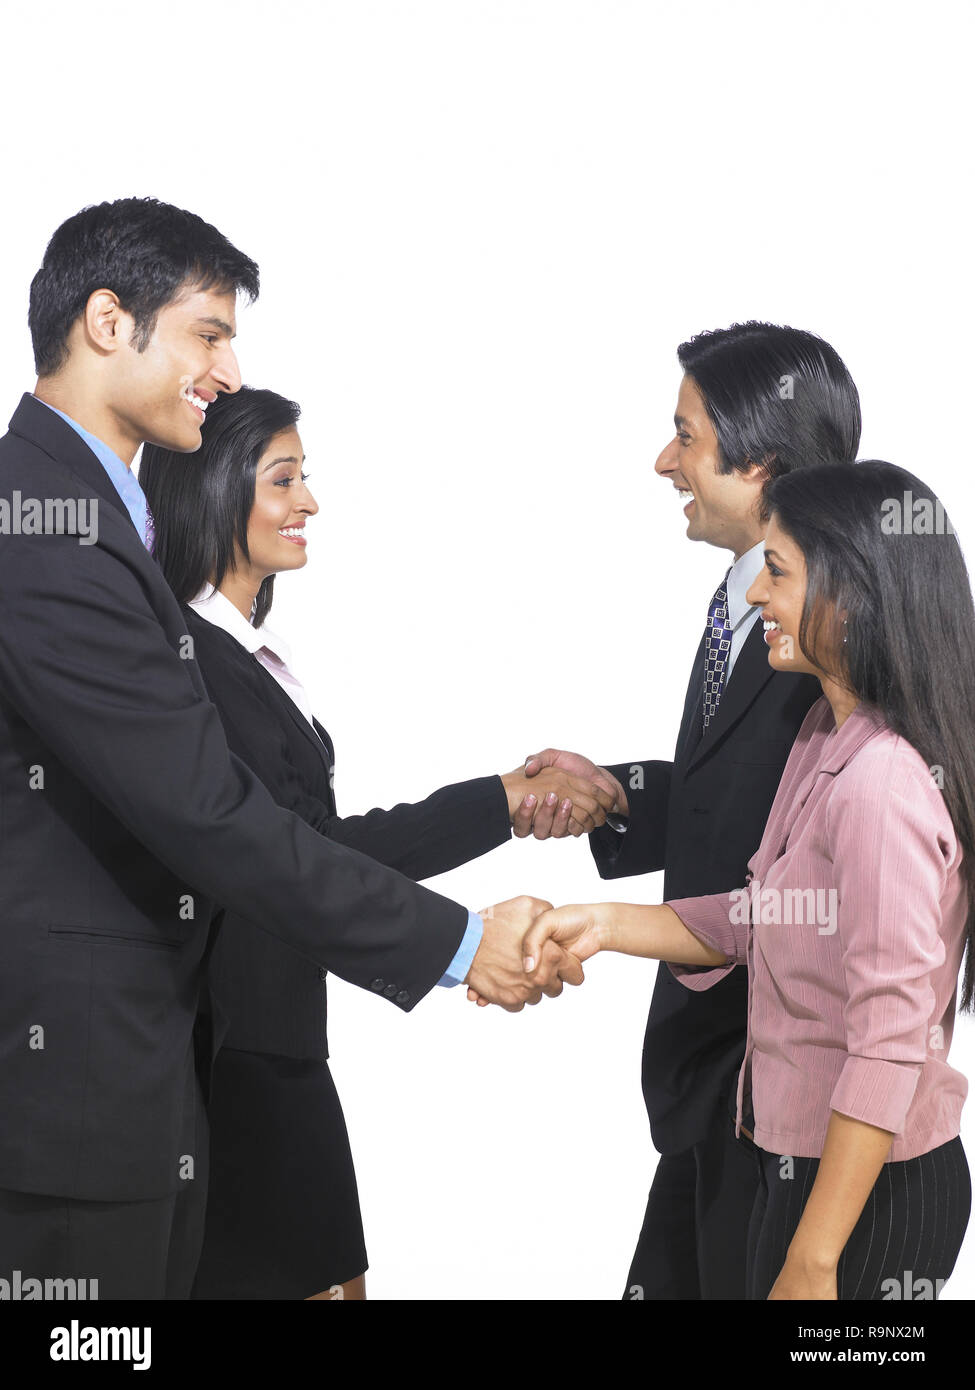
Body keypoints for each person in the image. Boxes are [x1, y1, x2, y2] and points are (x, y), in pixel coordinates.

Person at [0, 197, 594, 1300]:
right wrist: (464, 943)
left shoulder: (89, 513)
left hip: (141, 1087)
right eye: (209, 333)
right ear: (106, 320)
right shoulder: (42, 525)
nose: (225, 370)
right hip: (77, 1100)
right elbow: (209, 814)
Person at [138, 384, 619, 1299]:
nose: (309, 502)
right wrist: (493, 825)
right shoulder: (198, 660)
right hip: (237, 1054)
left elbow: (312, 844)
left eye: (305, 479)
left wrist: (506, 798)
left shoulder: (241, 650)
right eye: (283, 479)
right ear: (211, 491)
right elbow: (305, 854)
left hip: (271, 1040)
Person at [524, 460, 974, 1300]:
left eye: (778, 572)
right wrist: (599, 924)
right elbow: (761, 914)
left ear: (853, 590)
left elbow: (887, 1041)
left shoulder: (881, 785)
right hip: (795, 1164)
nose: (757, 597)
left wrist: (813, 1257)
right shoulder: (820, 737)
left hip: (865, 1201)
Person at [518, 322, 861, 1297]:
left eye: (686, 436)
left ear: (757, 458)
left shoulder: (821, 631)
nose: (663, 460)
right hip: (713, 1076)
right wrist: (614, 794)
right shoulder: (745, 604)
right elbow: (742, 799)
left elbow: (820, 850)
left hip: (775, 1079)